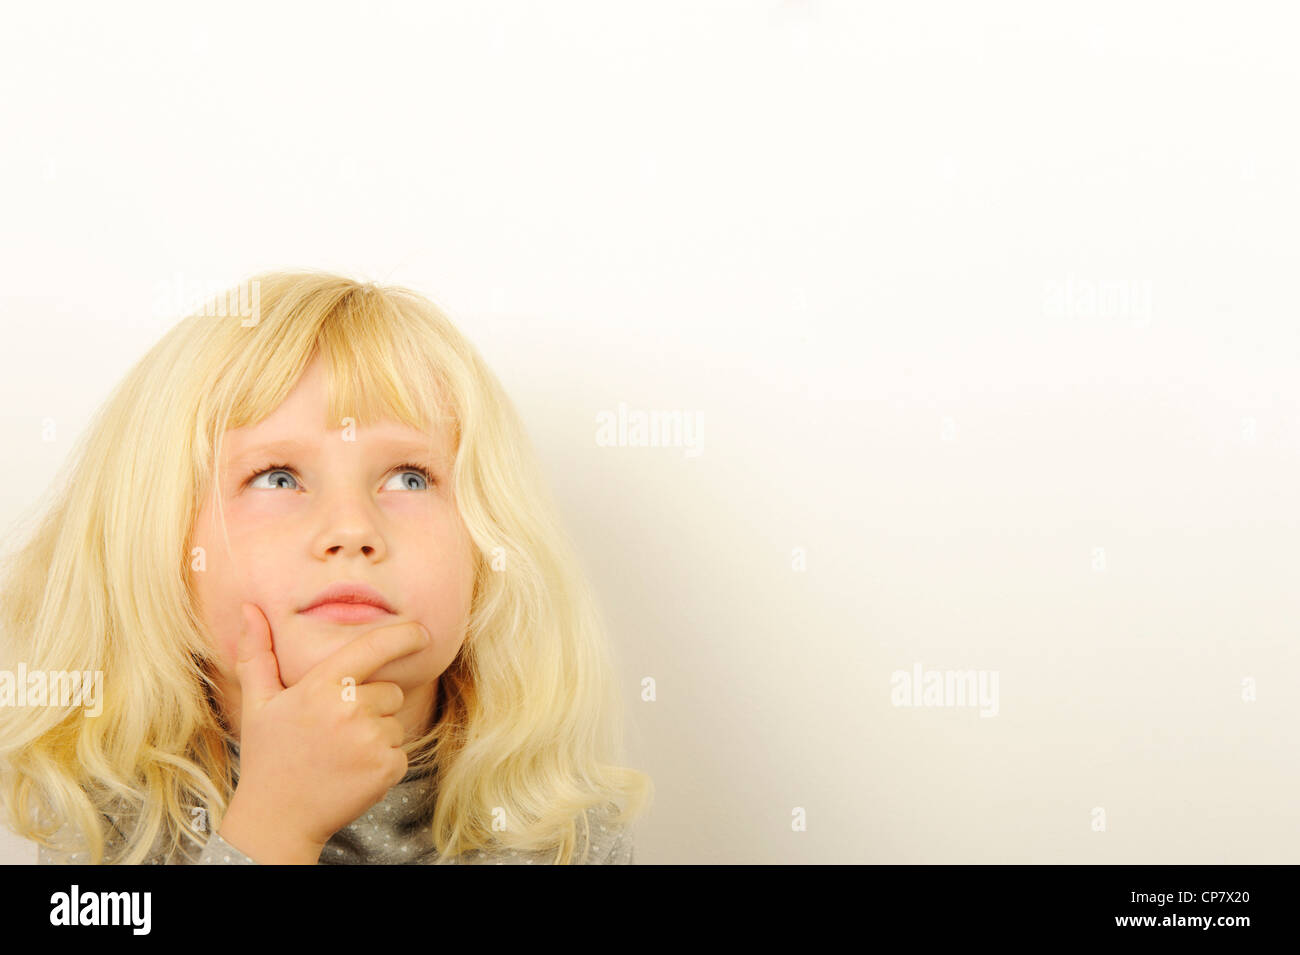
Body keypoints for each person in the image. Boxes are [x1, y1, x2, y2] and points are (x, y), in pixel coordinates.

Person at [0, 271, 651, 864]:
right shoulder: (112, 819)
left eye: (409, 476)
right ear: (156, 534)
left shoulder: (563, 835)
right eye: (278, 477)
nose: (352, 528)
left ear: (488, 546)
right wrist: (270, 830)